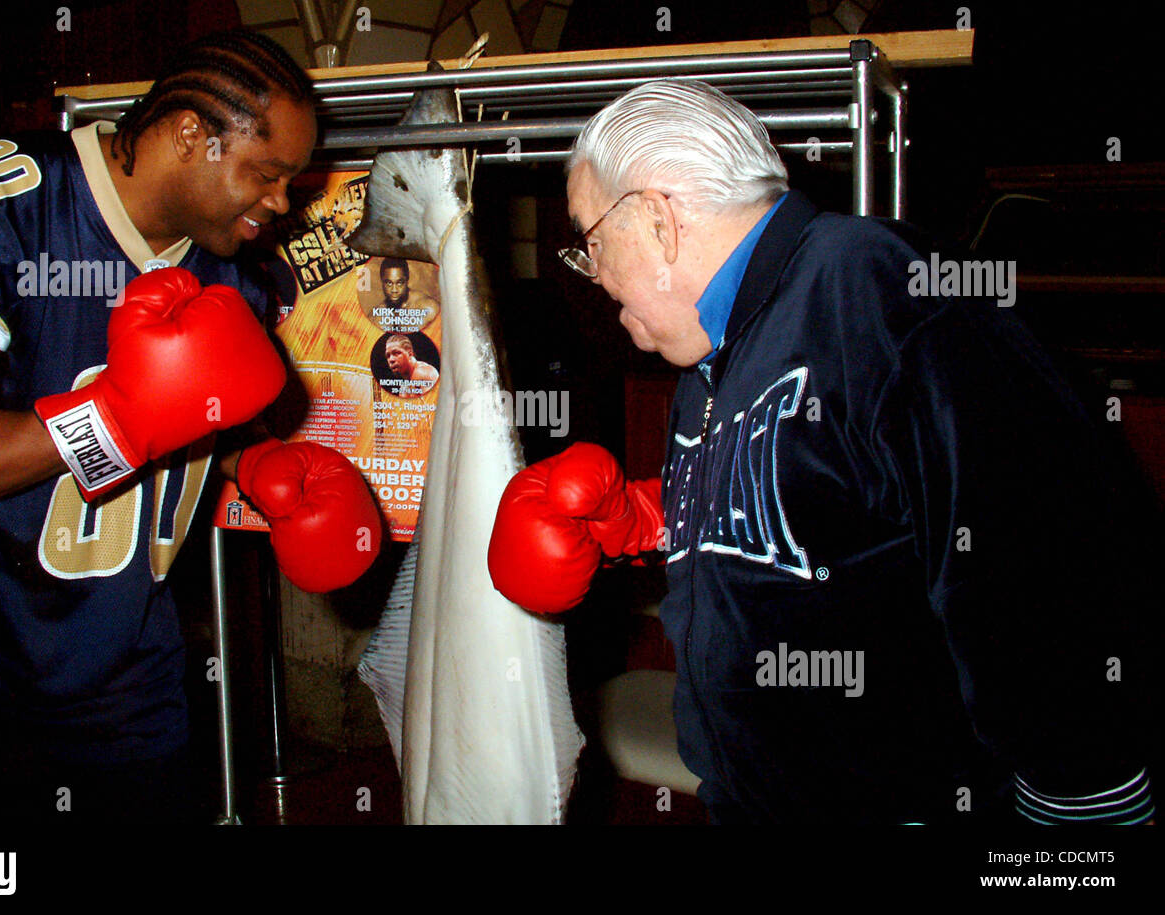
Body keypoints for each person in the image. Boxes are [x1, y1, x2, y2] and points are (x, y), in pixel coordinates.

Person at [489, 79, 1157, 824]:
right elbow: (812, 508)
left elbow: (1047, 558)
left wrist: (1079, 830)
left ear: (656, 218)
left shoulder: (879, 290)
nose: (595, 276)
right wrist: (646, 518)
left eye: (591, 242)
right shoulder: (712, 355)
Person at [0, 29, 378, 824]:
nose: (283, 202)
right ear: (190, 136)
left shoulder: (230, 266)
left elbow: (199, 408)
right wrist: (110, 420)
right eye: (268, 173)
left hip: (128, 674)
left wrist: (263, 468)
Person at [374, 257, 439, 333]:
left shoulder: (430, 309)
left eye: (399, 283)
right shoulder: (376, 317)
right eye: (389, 283)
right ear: (382, 283)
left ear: (407, 281)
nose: (394, 290)